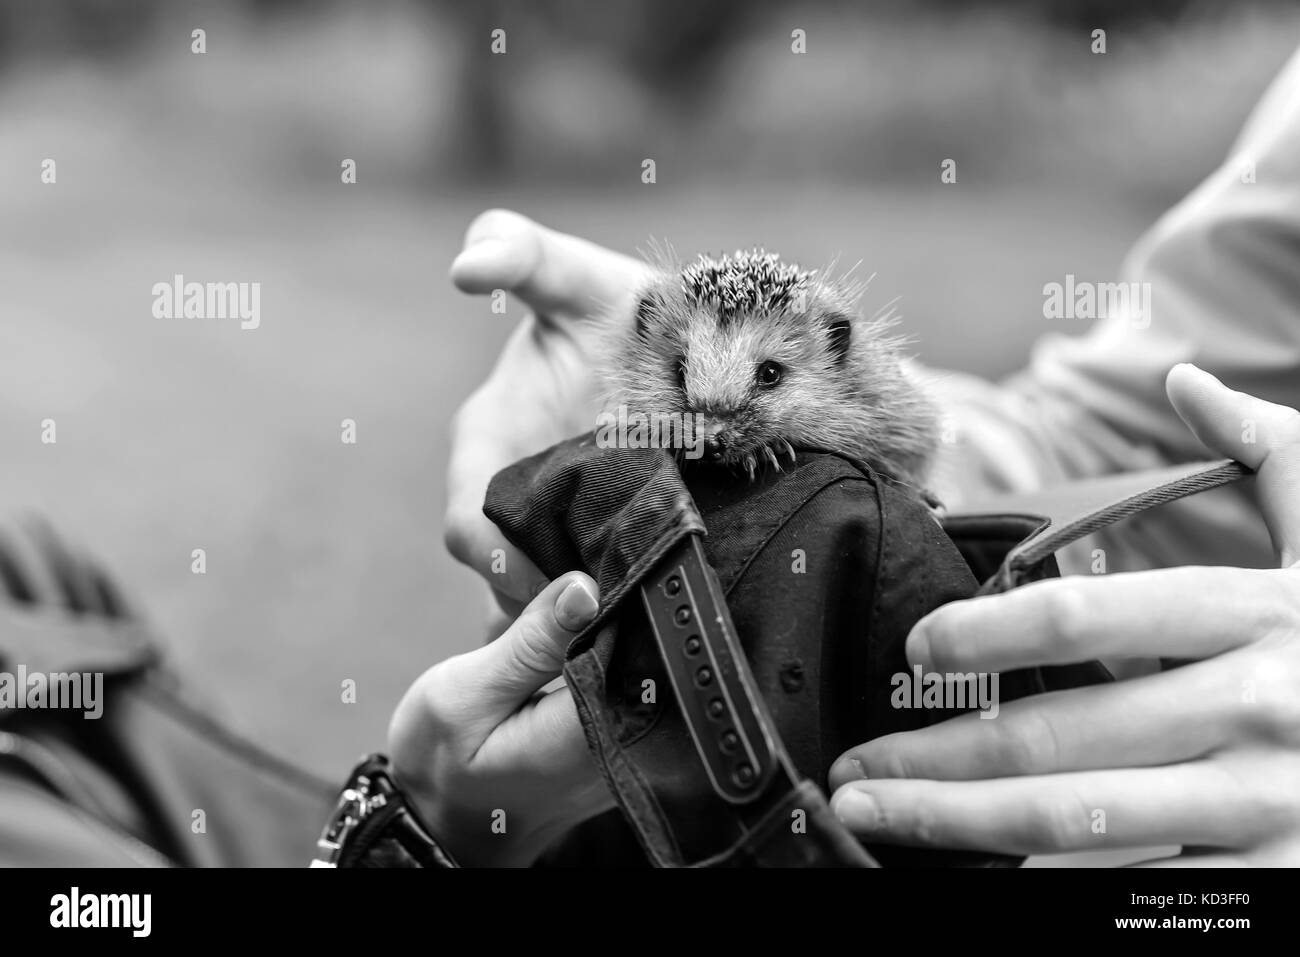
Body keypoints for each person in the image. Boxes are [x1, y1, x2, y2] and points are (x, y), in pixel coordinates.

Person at [396, 46, 1300, 866]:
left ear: (834, 355)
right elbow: (1116, 432)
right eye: (681, 377)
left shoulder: (869, 409)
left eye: (768, 379)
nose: (712, 415)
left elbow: (909, 438)